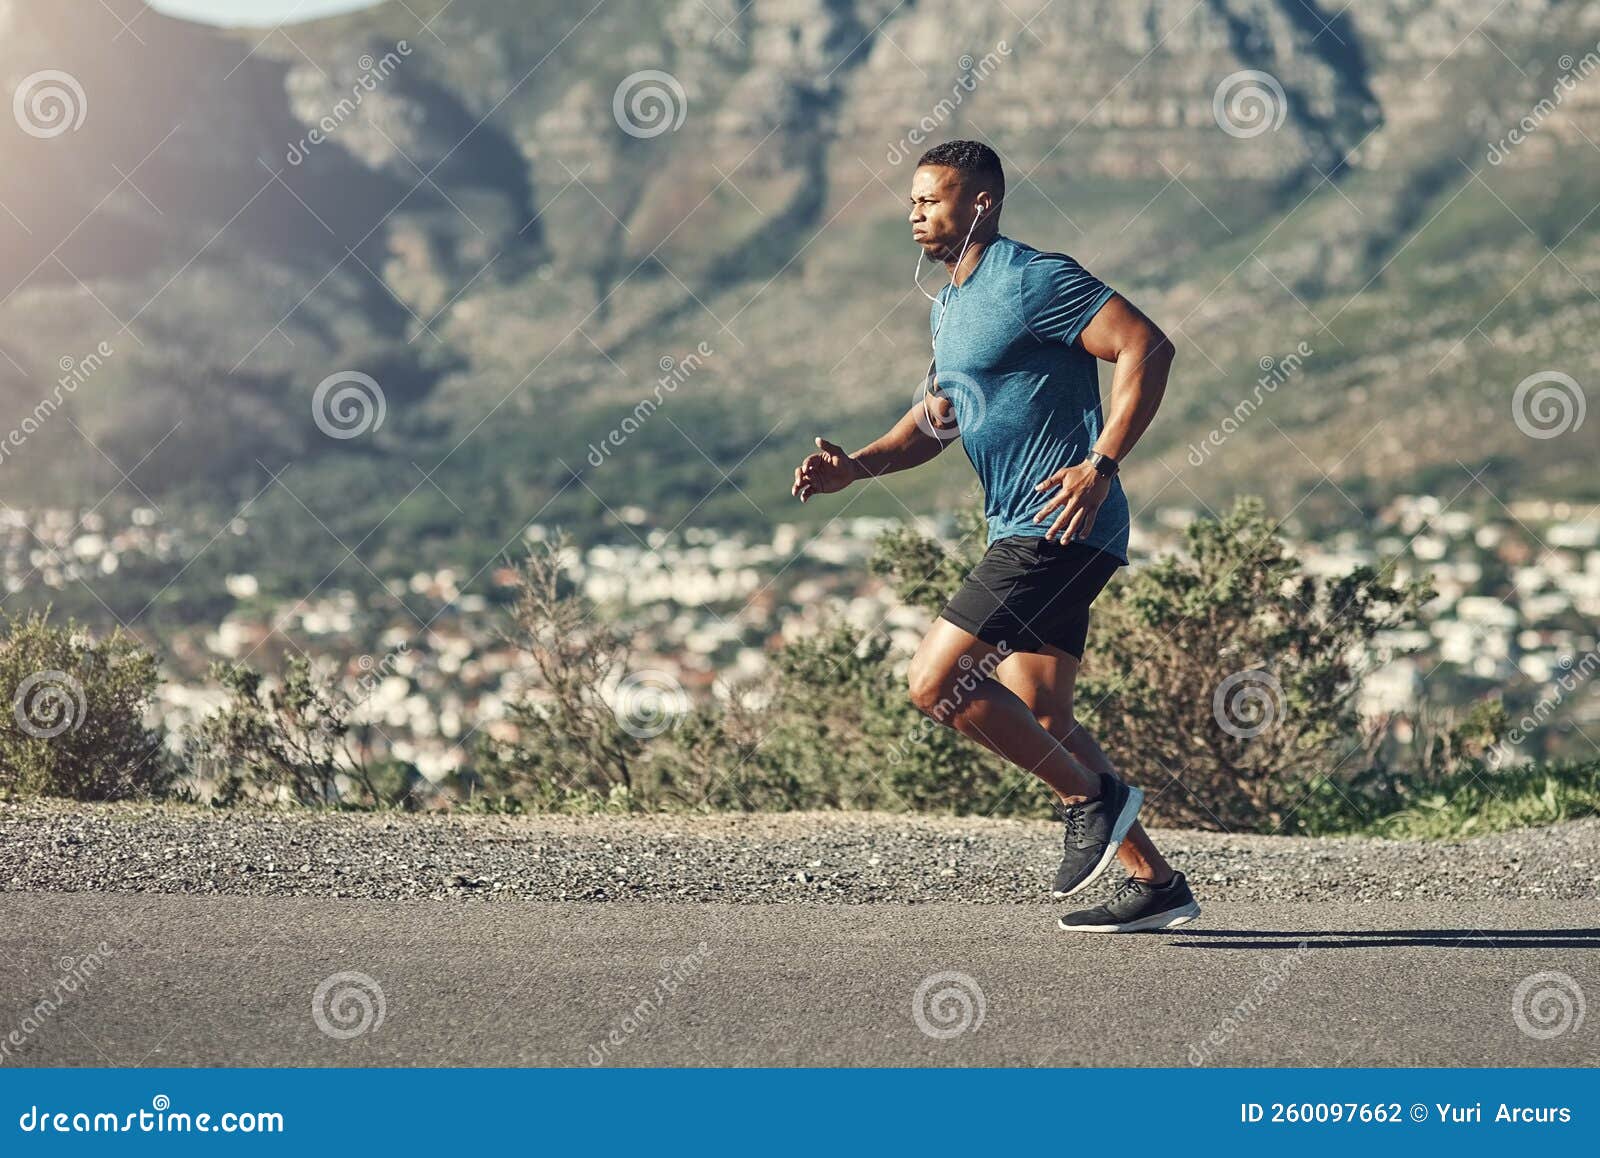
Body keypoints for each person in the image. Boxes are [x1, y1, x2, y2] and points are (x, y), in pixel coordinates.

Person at [790, 140, 1198, 933]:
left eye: (932, 199)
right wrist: (857, 468)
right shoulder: (949, 305)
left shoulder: (1033, 279)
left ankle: (1089, 799)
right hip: (1025, 526)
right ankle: (1156, 884)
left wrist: (1101, 463)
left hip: (1058, 524)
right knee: (1043, 713)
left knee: (937, 684)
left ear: (980, 203)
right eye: (912, 200)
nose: (915, 213)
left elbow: (1146, 346)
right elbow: (940, 418)